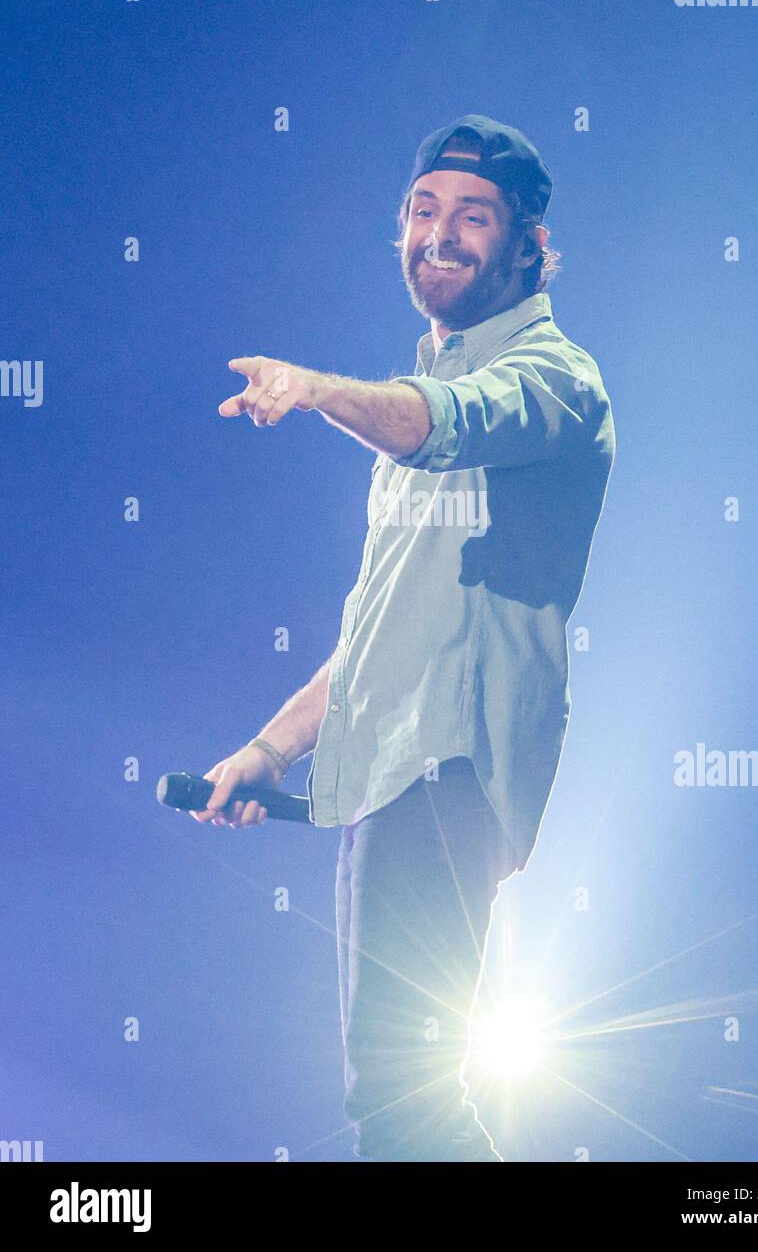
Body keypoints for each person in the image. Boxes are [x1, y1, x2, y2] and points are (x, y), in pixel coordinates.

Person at [191, 114, 616, 1161]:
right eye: (422, 211)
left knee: (406, 1102)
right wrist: (267, 751)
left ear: (528, 245)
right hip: (385, 778)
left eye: (472, 216)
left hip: (450, 772)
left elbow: (448, 423)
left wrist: (317, 389)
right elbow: (377, 634)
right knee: (394, 1102)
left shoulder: (554, 378)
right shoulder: (412, 407)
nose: (439, 233)